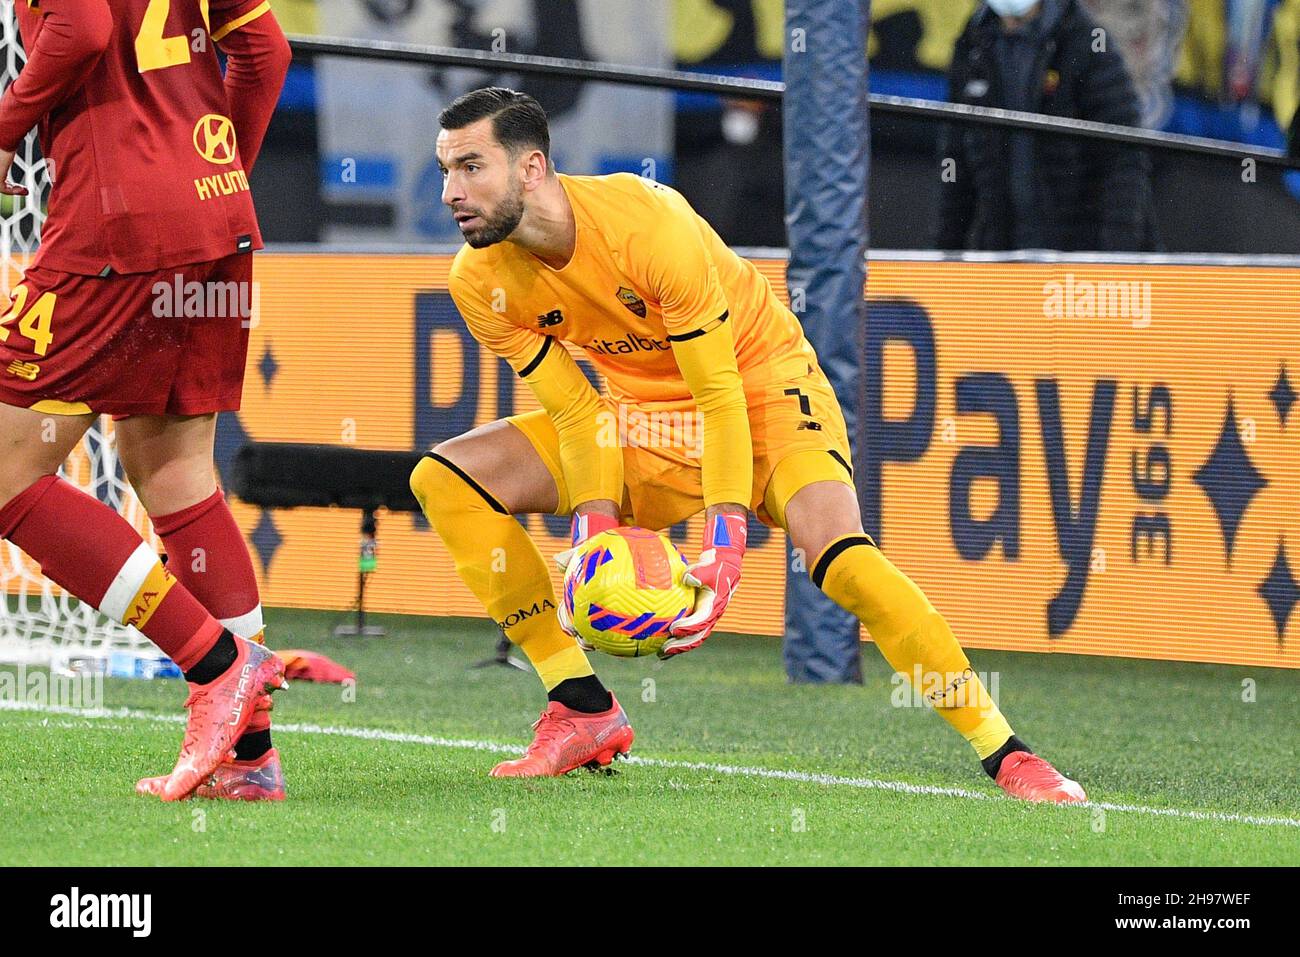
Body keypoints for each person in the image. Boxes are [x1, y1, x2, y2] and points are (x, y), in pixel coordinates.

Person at [412, 87, 1086, 802]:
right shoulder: (478, 280)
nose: (452, 190)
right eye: (445, 169)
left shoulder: (647, 223)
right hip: (641, 417)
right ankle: (579, 704)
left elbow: (720, 395)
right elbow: (582, 415)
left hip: (762, 389)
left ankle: (1006, 752)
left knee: (844, 562)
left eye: (471, 167)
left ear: (532, 168)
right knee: (446, 478)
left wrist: (724, 549)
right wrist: (593, 534)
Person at [0, 0, 292, 801]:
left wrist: (4, 125)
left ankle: (214, 664)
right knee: (172, 467)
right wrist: (209, 178)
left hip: (116, 229)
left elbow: (86, 27)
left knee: (5, 472)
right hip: (216, 217)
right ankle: (251, 757)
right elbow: (266, 50)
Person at [936, 0, 1155, 251]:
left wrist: (1115, 258)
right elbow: (954, 165)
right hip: (1006, 256)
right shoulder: (972, 44)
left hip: (1081, 258)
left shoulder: (1086, 40)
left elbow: (1125, 159)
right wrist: (942, 256)